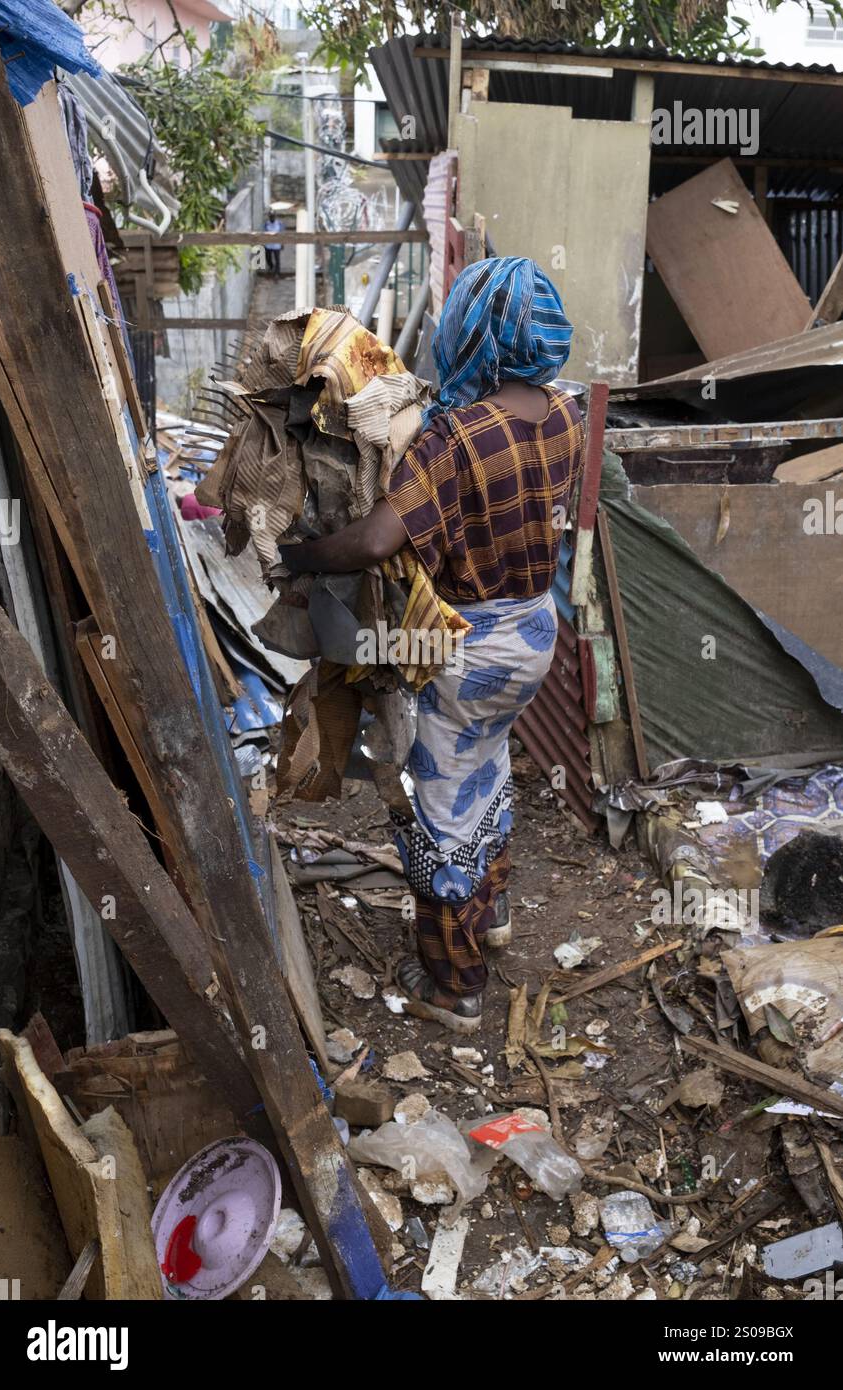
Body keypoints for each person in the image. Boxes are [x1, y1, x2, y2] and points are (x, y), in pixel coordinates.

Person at [280, 256, 584, 1032]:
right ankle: (496, 909)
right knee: (487, 767)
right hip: (534, 634)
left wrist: (306, 554)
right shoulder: (565, 416)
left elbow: (379, 540)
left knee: (439, 801)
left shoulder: (456, 437)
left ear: (475, 331)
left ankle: (455, 985)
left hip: (467, 647)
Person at [263, 209, 284, 276]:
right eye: (271, 216)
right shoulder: (266, 224)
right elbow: (264, 233)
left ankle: (277, 273)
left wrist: (282, 243)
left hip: (276, 245)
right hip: (268, 244)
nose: (272, 218)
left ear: (275, 216)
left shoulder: (279, 224)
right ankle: (271, 266)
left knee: (277, 259)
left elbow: (282, 234)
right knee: (268, 258)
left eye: (273, 216)